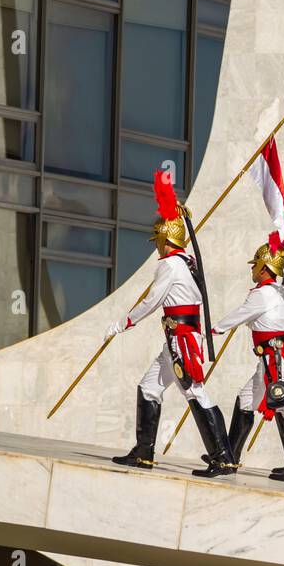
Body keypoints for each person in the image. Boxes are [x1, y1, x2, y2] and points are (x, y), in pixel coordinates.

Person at [105, 172, 234, 477]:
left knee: (196, 393)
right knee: (150, 386)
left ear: (166, 239)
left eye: (159, 241)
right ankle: (144, 452)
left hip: (181, 340)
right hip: (177, 338)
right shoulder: (185, 262)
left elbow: (151, 302)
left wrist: (123, 323)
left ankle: (222, 456)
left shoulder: (170, 265)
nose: (157, 247)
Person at [212, 241, 284, 483]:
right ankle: (230, 456)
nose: (252, 270)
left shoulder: (263, 294)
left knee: (283, 406)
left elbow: (239, 315)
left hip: (275, 359)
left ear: (264, 266)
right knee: (247, 399)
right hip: (275, 358)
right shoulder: (280, 292)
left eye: (254, 265)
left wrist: (214, 329)